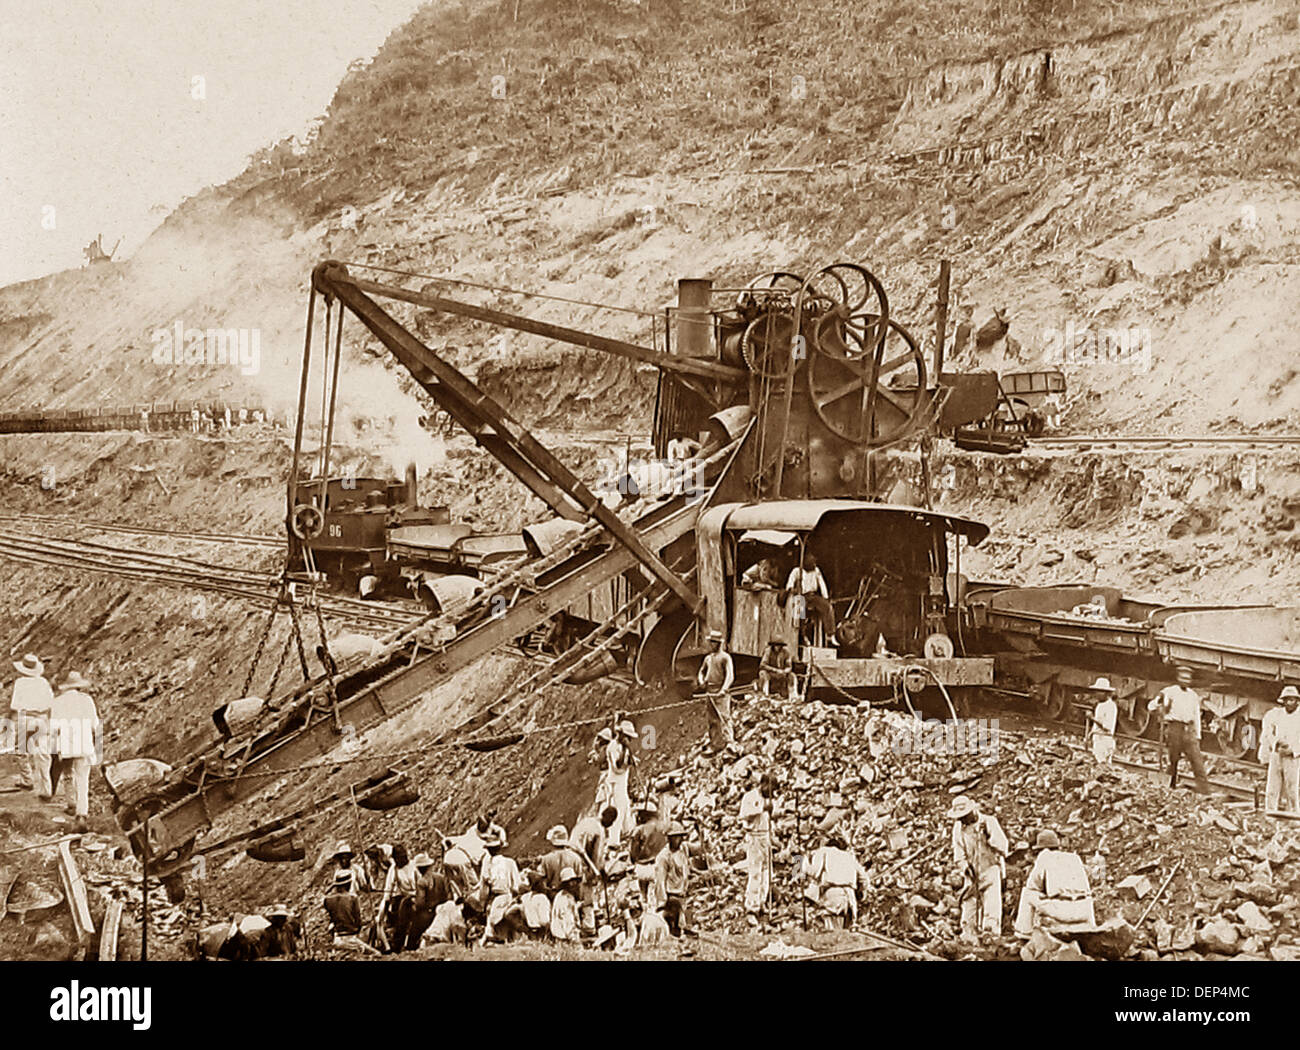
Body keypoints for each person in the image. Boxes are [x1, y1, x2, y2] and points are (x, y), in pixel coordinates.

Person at [1013, 830, 1096, 937]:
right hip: (1084, 910)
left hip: (1063, 911)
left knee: (1027, 893)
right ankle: (1092, 926)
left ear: (1041, 849)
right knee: (1086, 896)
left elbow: (1032, 886)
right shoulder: (1075, 857)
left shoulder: (1044, 856)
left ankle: (1024, 933)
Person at [948, 794, 1008, 939]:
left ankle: (991, 936)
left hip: (991, 869)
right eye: (960, 818)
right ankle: (968, 937)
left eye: (965, 816)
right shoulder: (958, 828)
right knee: (969, 906)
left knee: (991, 906)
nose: (963, 820)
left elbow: (1004, 847)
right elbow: (958, 853)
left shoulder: (989, 822)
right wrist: (965, 867)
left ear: (972, 811)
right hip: (972, 873)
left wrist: (988, 836)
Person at [1147, 666, 1211, 794]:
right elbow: (1151, 706)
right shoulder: (1169, 692)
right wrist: (1159, 704)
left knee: (1197, 760)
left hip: (1188, 730)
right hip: (1174, 729)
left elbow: (1196, 716)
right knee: (1173, 760)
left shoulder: (1193, 695)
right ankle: (1171, 787)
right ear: (1178, 678)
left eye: (1188, 679)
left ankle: (1204, 791)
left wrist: (1197, 735)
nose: (1185, 681)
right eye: (1183, 678)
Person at [49, 671, 99, 831]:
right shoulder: (87, 700)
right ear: (79, 686)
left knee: (68, 774)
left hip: (67, 744)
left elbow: (54, 727)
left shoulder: (58, 701)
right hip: (84, 743)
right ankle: (81, 814)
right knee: (83, 778)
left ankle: (71, 803)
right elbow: (95, 724)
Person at [802, 831, 869, 929]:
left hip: (834, 895)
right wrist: (861, 892)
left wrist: (801, 860)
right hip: (850, 899)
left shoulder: (824, 851)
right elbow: (864, 878)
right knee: (846, 935)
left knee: (831, 933)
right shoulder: (849, 856)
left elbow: (814, 872)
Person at [10, 653, 53, 799]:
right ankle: (46, 788)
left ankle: (27, 780)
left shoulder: (20, 683)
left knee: (21, 750)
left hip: (26, 717)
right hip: (41, 718)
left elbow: (14, 705)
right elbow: (50, 703)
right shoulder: (43, 682)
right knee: (43, 754)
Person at [570, 807, 619, 933]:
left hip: (571, 861)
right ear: (606, 817)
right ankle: (588, 928)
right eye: (611, 821)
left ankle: (574, 927)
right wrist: (600, 871)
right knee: (587, 899)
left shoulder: (586, 822)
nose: (611, 824)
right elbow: (596, 856)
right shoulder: (598, 830)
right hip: (584, 865)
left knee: (573, 897)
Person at [478, 827, 527, 945]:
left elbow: (484, 889)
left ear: (489, 850)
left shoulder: (487, 865)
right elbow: (517, 885)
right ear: (500, 848)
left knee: (493, 924)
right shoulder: (510, 862)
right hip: (509, 896)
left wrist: (483, 905)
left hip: (496, 898)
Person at [739, 772, 776, 924]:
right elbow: (744, 815)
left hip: (766, 836)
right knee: (755, 873)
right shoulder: (750, 797)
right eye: (770, 789)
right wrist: (761, 807)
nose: (771, 793)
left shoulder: (768, 798)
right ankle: (751, 908)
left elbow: (770, 817)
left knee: (767, 872)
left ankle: (762, 903)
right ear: (763, 785)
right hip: (754, 837)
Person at [1259, 685, 1300, 813]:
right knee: (1272, 787)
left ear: (1297, 701)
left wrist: (1294, 750)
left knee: (1292, 789)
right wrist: (1276, 743)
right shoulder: (1275, 714)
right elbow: (1267, 732)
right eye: (1286, 700)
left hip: (1292, 757)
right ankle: (1270, 813)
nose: (1289, 703)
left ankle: (1294, 816)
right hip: (1277, 754)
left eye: (1292, 700)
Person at [595, 721, 636, 843]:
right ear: (621, 735)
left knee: (625, 808)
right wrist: (626, 757)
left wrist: (631, 760)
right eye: (627, 737)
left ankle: (627, 832)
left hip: (622, 784)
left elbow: (625, 762)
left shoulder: (623, 748)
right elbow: (617, 767)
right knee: (617, 811)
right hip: (615, 784)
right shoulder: (613, 747)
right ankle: (614, 840)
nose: (629, 740)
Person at [322, 869, 379, 954]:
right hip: (350, 938)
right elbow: (358, 921)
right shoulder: (352, 898)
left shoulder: (328, 899)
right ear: (348, 884)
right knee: (377, 954)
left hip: (337, 938)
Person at [696, 630, 734, 754]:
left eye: (714, 643)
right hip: (710, 691)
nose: (712, 645)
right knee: (712, 720)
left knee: (724, 718)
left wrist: (724, 689)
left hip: (720, 692)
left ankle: (729, 743)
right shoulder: (708, 658)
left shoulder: (725, 657)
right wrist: (701, 681)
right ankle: (715, 744)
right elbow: (701, 671)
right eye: (711, 642)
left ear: (719, 644)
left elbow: (730, 675)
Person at [784, 551, 835, 642]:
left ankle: (830, 634)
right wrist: (793, 589)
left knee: (827, 607)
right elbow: (789, 585)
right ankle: (802, 636)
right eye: (811, 561)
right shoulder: (797, 571)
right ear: (805, 561)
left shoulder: (816, 571)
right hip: (802, 596)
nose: (814, 563)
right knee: (800, 610)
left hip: (813, 596)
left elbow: (822, 584)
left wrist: (826, 597)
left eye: (814, 561)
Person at [626, 800, 668, 909]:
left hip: (642, 869)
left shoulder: (639, 830)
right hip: (661, 867)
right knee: (659, 899)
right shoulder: (664, 827)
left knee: (643, 896)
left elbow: (633, 853)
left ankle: (644, 904)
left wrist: (633, 861)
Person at [406, 852, 452, 950]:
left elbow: (420, 903)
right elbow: (448, 895)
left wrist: (414, 902)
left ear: (419, 868)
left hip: (427, 914)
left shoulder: (422, 881)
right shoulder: (441, 877)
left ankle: (410, 948)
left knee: (413, 930)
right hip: (441, 911)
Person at [653, 821, 691, 937]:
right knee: (673, 931)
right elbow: (660, 881)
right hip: (672, 898)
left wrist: (702, 835)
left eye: (680, 837)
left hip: (682, 895)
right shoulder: (664, 857)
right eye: (675, 837)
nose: (678, 840)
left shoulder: (683, 849)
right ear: (669, 838)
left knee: (684, 930)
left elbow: (702, 849)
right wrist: (662, 902)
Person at [538, 825, 585, 894]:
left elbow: (543, 881)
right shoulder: (575, 858)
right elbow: (580, 879)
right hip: (572, 895)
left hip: (553, 895)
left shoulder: (546, 859)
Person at [1086, 678, 1118, 765]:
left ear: (1106, 693)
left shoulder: (1110, 706)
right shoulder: (1100, 705)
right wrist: (1091, 733)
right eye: (1096, 691)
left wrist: (1092, 718)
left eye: (1099, 691)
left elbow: (1107, 726)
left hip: (1104, 740)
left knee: (1102, 764)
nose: (1096, 694)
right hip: (1098, 739)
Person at [549, 867, 583, 943]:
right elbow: (567, 920)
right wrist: (573, 938)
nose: (574, 884)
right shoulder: (565, 899)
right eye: (571, 882)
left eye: (574, 881)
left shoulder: (562, 895)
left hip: (561, 935)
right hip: (565, 937)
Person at [519, 869, 552, 939]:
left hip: (530, 931)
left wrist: (522, 927)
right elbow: (544, 921)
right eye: (542, 883)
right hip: (541, 932)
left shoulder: (525, 897)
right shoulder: (542, 898)